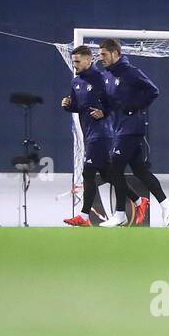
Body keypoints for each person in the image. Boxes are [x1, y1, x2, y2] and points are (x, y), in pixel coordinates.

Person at [97, 38, 169, 228]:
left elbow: (153, 91)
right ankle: (167, 205)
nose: (101, 59)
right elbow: (111, 102)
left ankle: (121, 213)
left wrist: (135, 107)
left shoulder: (131, 72)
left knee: (114, 168)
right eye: (100, 55)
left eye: (104, 55)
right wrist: (104, 111)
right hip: (120, 127)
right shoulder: (107, 76)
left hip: (131, 127)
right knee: (139, 170)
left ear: (115, 53)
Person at [61, 44, 114, 225]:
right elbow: (78, 107)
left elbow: (114, 103)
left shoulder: (102, 78)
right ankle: (139, 201)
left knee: (88, 172)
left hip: (102, 133)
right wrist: (68, 106)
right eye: (73, 61)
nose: (74, 65)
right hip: (88, 133)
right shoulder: (75, 82)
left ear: (89, 59)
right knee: (107, 174)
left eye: (77, 61)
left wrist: (104, 113)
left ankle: (83, 216)